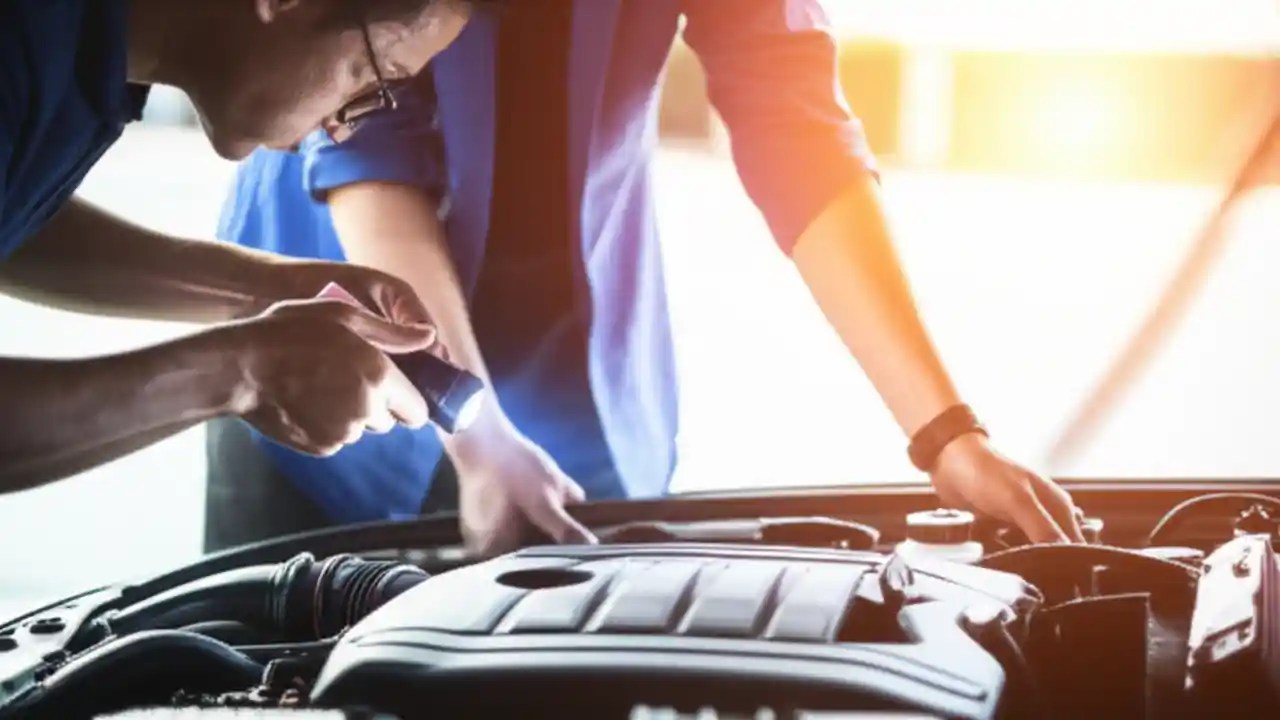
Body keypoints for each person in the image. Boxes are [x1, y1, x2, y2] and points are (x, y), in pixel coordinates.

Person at [211, 0, 1086, 555]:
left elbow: (797, 126)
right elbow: (370, 145)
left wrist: (946, 435)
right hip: (334, 333)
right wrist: (475, 431)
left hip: (579, 361)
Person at [0, 0, 487, 495]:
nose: (343, 129)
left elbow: (17, 218)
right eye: (374, 79)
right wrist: (243, 373)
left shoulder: (88, 53)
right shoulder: (20, 44)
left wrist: (273, 287)